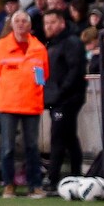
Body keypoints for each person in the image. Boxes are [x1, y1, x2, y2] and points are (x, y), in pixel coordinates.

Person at [0, 10, 49, 199]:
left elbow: (43, 75)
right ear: (12, 25)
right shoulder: (0, 47)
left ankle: (35, 185)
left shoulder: (39, 48)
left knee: (32, 147)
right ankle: (8, 185)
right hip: (8, 105)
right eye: (17, 21)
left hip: (31, 104)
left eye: (24, 21)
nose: (21, 24)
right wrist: (5, 92)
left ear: (29, 25)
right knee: (8, 147)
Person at [42, 10, 87, 193]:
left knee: (58, 137)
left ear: (61, 22)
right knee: (69, 138)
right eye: (46, 23)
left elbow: (75, 71)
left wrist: (60, 93)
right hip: (56, 98)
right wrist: (42, 90)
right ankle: (76, 176)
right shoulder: (51, 44)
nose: (48, 27)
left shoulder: (71, 43)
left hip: (67, 99)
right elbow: (44, 70)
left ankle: (52, 179)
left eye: (52, 22)